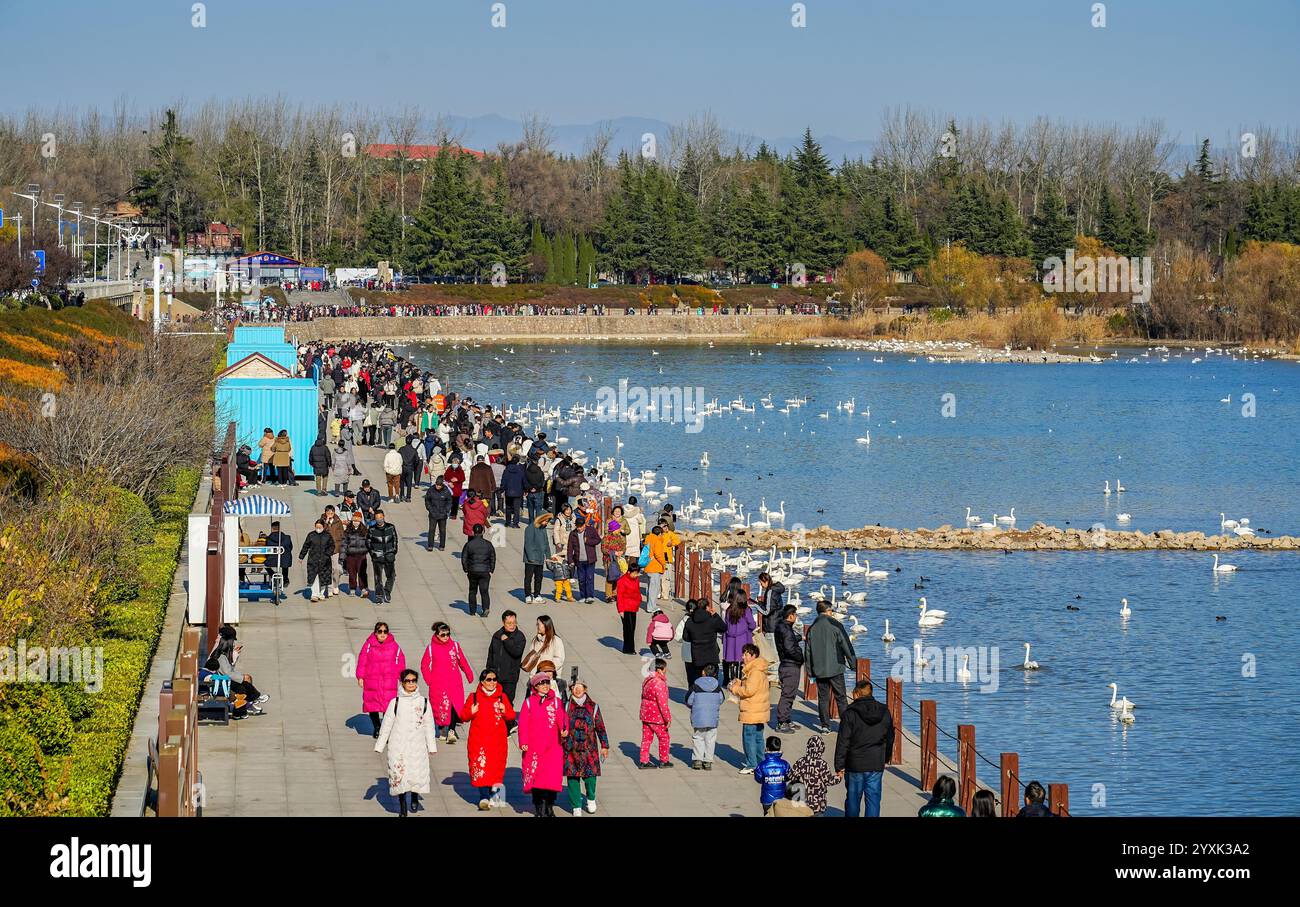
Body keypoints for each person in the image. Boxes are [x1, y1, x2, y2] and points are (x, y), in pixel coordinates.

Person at [374, 669, 437, 817]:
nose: (411, 684)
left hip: (418, 746)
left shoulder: (424, 703)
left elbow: (429, 725)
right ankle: (403, 808)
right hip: (399, 746)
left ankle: (415, 796)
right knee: (399, 776)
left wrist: (431, 746)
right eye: (408, 681)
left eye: (413, 680)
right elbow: (387, 725)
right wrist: (380, 745)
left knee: (415, 774)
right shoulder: (395, 702)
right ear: (402, 682)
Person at [834, 678, 895, 818]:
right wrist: (886, 758)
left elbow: (843, 741)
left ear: (856, 694)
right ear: (871, 693)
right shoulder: (884, 711)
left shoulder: (850, 713)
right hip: (875, 762)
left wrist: (839, 766)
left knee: (853, 800)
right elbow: (890, 737)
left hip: (855, 763)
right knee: (873, 800)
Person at [458, 669, 515, 809]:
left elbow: (512, 716)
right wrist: (471, 712)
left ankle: (496, 795)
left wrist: (504, 710)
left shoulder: (502, 697)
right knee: (481, 768)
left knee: (496, 768)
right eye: (488, 679)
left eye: (494, 679)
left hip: (497, 742)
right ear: (482, 681)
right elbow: (463, 716)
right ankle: (483, 797)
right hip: (479, 741)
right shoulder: (474, 697)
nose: (492, 682)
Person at [517, 673, 569, 817]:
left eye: (547, 682)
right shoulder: (528, 702)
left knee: (552, 778)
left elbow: (563, 719)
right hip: (535, 747)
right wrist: (524, 742)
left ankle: (550, 806)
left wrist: (565, 730)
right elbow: (523, 725)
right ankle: (539, 806)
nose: (545, 685)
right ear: (535, 686)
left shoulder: (557, 702)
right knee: (537, 779)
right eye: (542, 683)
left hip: (553, 747)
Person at [805, 600, 855, 733]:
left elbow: (808, 651)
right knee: (841, 697)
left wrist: (810, 671)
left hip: (819, 669)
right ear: (828, 611)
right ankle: (845, 726)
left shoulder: (812, 628)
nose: (832, 613)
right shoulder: (835, 624)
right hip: (835, 667)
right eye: (831, 611)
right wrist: (853, 663)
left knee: (823, 697)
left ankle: (825, 725)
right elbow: (846, 645)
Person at [420, 621, 474, 744]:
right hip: (439, 684)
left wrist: (469, 674)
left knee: (456, 706)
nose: (446, 637)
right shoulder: (431, 648)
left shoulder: (455, 646)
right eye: (443, 635)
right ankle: (442, 728)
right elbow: (424, 666)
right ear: (437, 635)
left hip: (455, 682)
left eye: (448, 634)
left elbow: (463, 661)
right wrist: (430, 680)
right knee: (441, 708)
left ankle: (451, 730)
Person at [562, 679, 609, 815]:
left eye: (580, 686)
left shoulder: (593, 707)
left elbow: (600, 727)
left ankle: (591, 798)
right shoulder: (565, 706)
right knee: (572, 779)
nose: (577, 689)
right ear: (571, 689)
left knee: (590, 777)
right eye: (574, 687)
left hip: (590, 749)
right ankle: (576, 806)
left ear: (585, 688)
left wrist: (604, 745)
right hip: (571, 749)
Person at [356, 621, 406, 738]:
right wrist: (360, 677)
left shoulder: (394, 646)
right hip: (372, 679)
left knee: (388, 707)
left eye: (385, 632)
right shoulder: (368, 645)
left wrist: (401, 678)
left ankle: (385, 729)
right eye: (380, 632)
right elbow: (362, 661)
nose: (383, 634)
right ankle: (377, 727)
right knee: (372, 705)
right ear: (375, 633)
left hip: (389, 680)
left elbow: (400, 662)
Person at [208, 625, 269, 715]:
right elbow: (227, 672)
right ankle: (253, 700)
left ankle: (249, 704)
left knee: (244, 684)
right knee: (244, 683)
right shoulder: (220, 655)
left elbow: (227, 668)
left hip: (221, 680)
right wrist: (241, 677)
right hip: (220, 682)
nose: (233, 644)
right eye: (232, 641)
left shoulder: (222, 650)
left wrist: (234, 654)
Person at [729, 643, 770, 775]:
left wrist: (734, 689)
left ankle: (751, 764)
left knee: (749, 737)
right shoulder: (758, 669)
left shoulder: (754, 671)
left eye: (746, 654)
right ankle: (760, 762)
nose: (743, 657)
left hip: (752, 710)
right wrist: (741, 683)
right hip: (759, 709)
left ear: (753, 656)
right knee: (758, 737)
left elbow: (749, 690)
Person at [789, 735, 840, 816]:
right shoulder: (822, 764)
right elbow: (829, 781)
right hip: (818, 805)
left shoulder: (800, 762)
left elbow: (791, 776)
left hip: (801, 804)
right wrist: (839, 777)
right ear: (821, 749)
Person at [486, 610, 527, 711]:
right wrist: (488, 672)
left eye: (514, 622)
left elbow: (516, 652)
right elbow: (491, 654)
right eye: (509, 623)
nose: (512, 625)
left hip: (510, 677)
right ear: (503, 623)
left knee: (507, 702)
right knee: (494, 702)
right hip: (496, 676)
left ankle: (509, 724)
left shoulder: (519, 637)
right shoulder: (497, 635)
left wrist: (506, 641)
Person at [686, 662, 723, 770]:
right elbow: (721, 699)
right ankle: (708, 761)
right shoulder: (717, 687)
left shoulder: (696, 686)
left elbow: (689, 700)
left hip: (698, 717)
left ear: (703, 673)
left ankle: (698, 760)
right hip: (712, 718)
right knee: (710, 739)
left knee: (698, 737)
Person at [683, 598, 726, 687]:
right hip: (711, 655)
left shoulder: (690, 621)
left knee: (697, 680)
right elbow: (724, 628)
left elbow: (686, 638)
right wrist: (715, 615)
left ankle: (698, 696)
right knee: (713, 681)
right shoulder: (712, 620)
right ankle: (712, 696)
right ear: (707, 607)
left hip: (697, 656)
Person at [638, 657, 672, 769]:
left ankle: (644, 760)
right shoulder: (659, 683)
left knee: (646, 738)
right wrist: (667, 718)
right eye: (665, 668)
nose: (666, 670)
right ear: (659, 670)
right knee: (664, 737)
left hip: (645, 714)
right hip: (656, 716)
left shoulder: (647, 680)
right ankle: (664, 760)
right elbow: (662, 703)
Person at [774, 605, 803, 733]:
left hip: (787, 663)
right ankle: (781, 722)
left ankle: (786, 719)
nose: (796, 617)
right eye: (795, 615)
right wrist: (800, 658)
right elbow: (789, 647)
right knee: (787, 694)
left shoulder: (783, 627)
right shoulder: (785, 629)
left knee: (791, 693)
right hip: (790, 664)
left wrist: (800, 638)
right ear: (790, 616)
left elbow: (788, 640)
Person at [722, 590, 757, 685]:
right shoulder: (746, 610)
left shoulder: (729, 610)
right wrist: (747, 630)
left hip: (730, 639)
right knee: (742, 659)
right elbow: (752, 625)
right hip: (743, 638)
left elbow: (726, 623)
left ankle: (732, 679)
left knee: (732, 660)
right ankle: (740, 680)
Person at [461, 522, 496, 617]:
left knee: (472, 590)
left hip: (472, 570)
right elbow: (493, 556)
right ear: (483, 531)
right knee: (484, 591)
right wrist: (491, 569)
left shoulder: (469, 544)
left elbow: (464, 558)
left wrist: (466, 568)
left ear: (473, 532)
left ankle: (472, 611)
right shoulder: (488, 544)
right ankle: (485, 608)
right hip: (484, 571)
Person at [523, 615, 566, 691]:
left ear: (545, 625)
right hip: (536, 679)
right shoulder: (535, 640)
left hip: (550, 680)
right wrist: (532, 677)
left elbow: (559, 660)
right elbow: (531, 659)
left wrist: (545, 669)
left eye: (538, 624)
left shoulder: (556, 640)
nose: (537, 626)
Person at [299, 518, 336, 601]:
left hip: (325, 560)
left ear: (323, 526)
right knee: (314, 577)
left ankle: (321, 593)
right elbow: (306, 546)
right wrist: (301, 557)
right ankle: (314, 594)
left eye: (320, 527)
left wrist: (327, 554)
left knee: (323, 577)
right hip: (313, 560)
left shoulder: (328, 535)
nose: (318, 529)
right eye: (316, 527)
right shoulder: (311, 535)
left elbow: (332, 546)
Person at [368, 509, 399, 604]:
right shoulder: (372, 529)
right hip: (377, 557)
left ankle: (387, 591)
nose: (379, 519)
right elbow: (368, 543)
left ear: (383, 517)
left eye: (380, 517)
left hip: (389, 556)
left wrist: (393, 551)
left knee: (391, 576)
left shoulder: (391, 527)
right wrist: (373, 553)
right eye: (377, 518)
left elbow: (395, 540)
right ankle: (378, 596)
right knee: (378, 578)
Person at [756, 736, 790, 815]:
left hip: (767, 798)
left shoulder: (761, 765)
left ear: (767, 749)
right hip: (781, 797)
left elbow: (758, 779)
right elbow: (789, 777)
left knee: (767, 814)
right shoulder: (785, 764)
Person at [522, 513, 552, 603]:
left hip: (540, 558)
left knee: (539, 577)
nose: (546, 523)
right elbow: (528, 544)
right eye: (545, 520)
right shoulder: (530, 528)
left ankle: (537, 594)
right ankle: (527, 595)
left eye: (547, 521)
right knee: (528, 577)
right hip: (531, 559)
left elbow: (546, 543)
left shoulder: (543, 529)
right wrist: (531, 557)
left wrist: (548, 555)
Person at [342, 510, 371, 597]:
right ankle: (352, 588)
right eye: (354, 520)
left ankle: (363, 588)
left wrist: (369, 551)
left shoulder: (365, 530)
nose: (355, 522)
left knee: (362, 573)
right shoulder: (348, 530)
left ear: (360, 521)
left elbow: (369, 542)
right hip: (350, 555)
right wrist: (342, 556)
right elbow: (344, 544)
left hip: (361, 555)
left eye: (357, 521)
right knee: (352, 573)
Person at [614, 563, 642, 654]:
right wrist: (621, 610)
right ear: (629, 572)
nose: (636, 575)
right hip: (625, 607)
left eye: (637, 573)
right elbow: (620, 597)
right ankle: (628, 648)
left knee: (632, 628)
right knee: (628, 628)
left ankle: (628, 647)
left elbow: (637, 591)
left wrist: (639, 601)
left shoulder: (636, 579)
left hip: (633, 606)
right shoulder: (622, 581)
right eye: (635, 573)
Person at [423, 475, 453, 551]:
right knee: (431, 530)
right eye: (437, 485)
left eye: (439, 485)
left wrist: (446, 510)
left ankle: (442, 545)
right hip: (433, 514)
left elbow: (449, 501)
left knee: (442, 530)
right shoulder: (431, 490)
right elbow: (427, 500)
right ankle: (430, 545)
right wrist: (430, 509)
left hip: (443, 514)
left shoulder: (446, 491)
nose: (438, 487)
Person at [643, 524, 669, 606]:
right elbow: (658, 555)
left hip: (648, 566)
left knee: (650, 587)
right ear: (659, 534)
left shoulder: (648, 539)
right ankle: (651, 606)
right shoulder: (657, 541)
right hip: (655, 567)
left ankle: (649, 604)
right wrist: (664, 564)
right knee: (654, 589)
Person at [264, 520, 293, 588]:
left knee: (264, 563)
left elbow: (266, 550)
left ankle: (272, 573)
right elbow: (290, 548)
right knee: (285, 561)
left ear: (272, 528)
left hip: (271, 561)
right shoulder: (287, 537)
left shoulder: (268, 539)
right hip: (284, 561)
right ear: (280, 528)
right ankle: (285, 579)